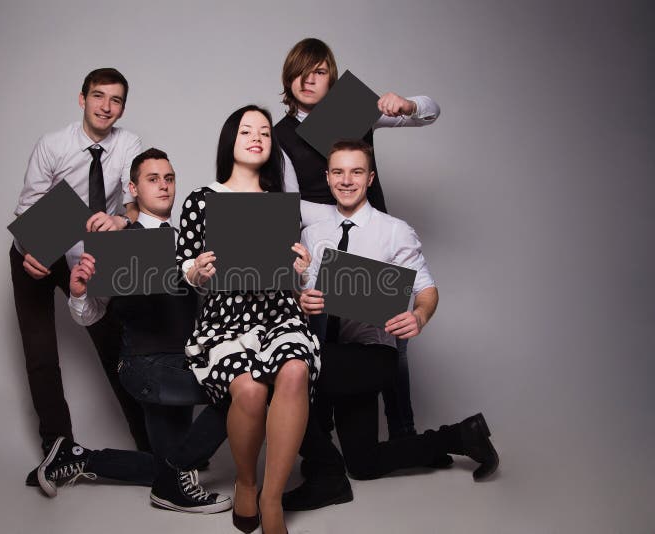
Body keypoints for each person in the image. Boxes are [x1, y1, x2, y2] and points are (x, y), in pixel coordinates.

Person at [282, 140, 499, 511]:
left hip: (371, 355)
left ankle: (326, 475)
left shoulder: (395, 231)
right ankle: (463, 435)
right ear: (327, 177)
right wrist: (303, 293)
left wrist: (419, 316)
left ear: (370, 178)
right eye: (338, 172)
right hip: (330, 352)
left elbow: (427, 290)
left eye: (356, 172)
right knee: (364, 463)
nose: (346, 180)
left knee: (287, 373)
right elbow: (309, 297)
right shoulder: (313, 233)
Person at [276, 37, 440, 444]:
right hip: (322, 244)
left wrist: (408, 105)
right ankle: (324, 440)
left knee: (391, 337)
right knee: (320, 335)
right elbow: (290, 203)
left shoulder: (348, 107)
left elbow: (430, 112)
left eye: (319, 72)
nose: (309, 80)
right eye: (301, 71)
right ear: (288, 77)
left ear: (332, 77)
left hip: (373, 238)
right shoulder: (278, 134)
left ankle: (404, 434)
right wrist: (324, 229)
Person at [177, 105, 319, 534]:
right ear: (231, 141)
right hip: (225, 319)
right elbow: (185, 265)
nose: (257, 136)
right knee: (252, 391)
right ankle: (246, 480)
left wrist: (300, 270)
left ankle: (271, 498)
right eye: (246, 130)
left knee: (294, 369)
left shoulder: (281, 205)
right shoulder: (201, 199)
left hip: (278, 312)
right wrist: (197, 272)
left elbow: (291, 278)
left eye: (264, 131)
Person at [66, 148, 232, 512]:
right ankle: (173, 487)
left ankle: (80, 458)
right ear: (133, 189)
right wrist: (79, 293)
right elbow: (92, 315)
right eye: (153, 179)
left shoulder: (191, 241)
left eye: (169, 179)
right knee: (239, 390)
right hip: (145, 366)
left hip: (183, 361)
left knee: (168, 464)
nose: (164, 186)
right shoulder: (119, 239)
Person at [11, 68, 150, 490]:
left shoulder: (128, 144)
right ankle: (58, 448)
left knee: (114, 345)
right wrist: (30, 252)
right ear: (82, 99)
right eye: (98, 96)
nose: (106, 107)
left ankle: (154, 451)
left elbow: (135, 203)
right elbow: (28, 208)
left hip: (93, 252)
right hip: (44, 247)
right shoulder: (52, 144)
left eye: (116, 100)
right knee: (40, 353)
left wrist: (120, 220)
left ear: (123, 107)